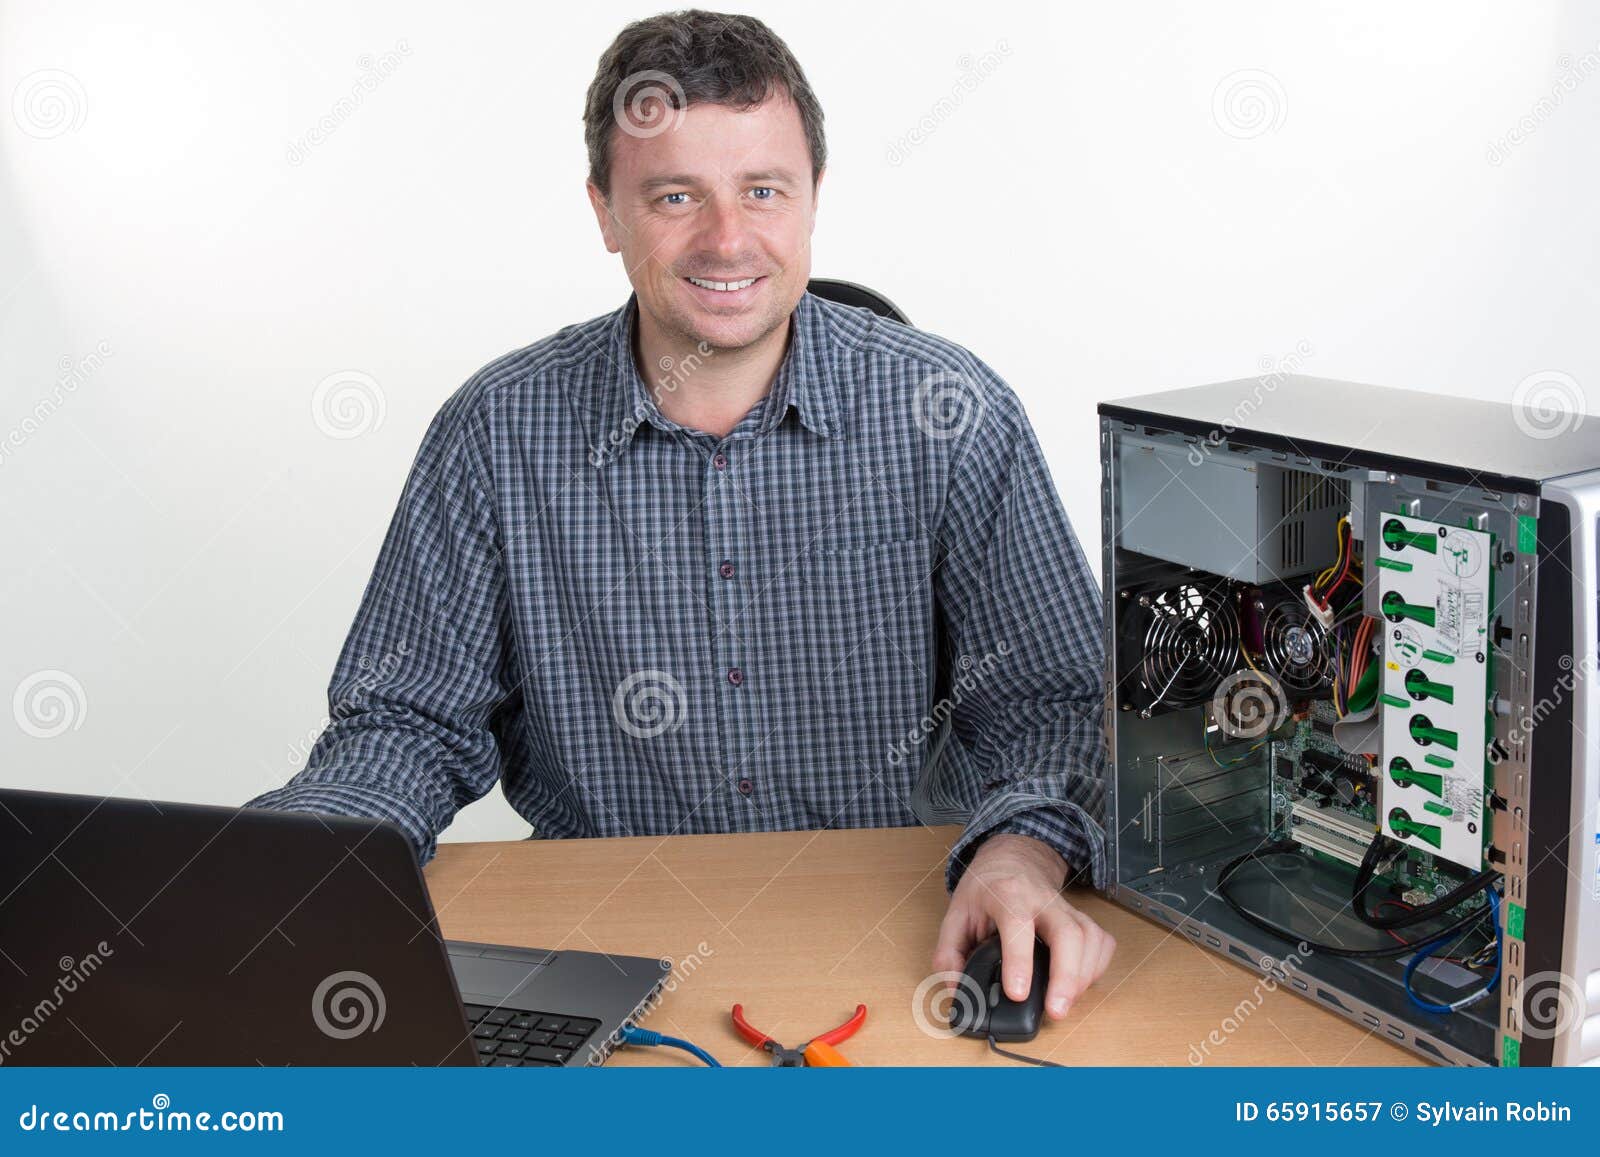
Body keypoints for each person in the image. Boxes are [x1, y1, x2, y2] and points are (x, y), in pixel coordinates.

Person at [249, 9, 1114, 1021]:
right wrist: (275, 869)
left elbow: (1052, 699)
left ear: (811, 201)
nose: (727, 238)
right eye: (673, 196)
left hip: (902, 930)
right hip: (600, 938)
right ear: (605, 212)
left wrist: (1018, 855)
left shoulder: (950, 413)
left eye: (761, 190)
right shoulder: (496, 430)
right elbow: (406, 721)